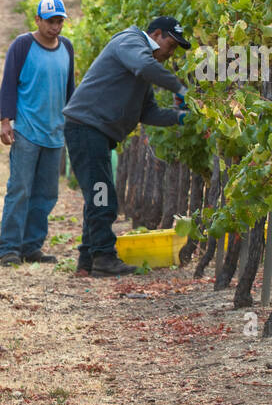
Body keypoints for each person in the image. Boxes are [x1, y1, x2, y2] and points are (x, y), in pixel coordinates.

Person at [63, 16, 190, 277]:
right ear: (156, 34)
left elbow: (149, 113)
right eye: (172, 45)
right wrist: (180, 88)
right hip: (86, 129)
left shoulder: (140, 68)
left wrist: (181, 117)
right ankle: (103, 258)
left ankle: (88, 261)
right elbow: (145, 66)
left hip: (93, 132)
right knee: (102, 196)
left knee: (98, 196)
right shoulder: (129, 42)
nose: (172, 53)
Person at [0, 0, 75, 266]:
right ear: (38, 20)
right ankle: (9, 249)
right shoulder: (22, 45)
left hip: (55, 133)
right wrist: (6, 120)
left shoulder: (67, 47)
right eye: (50, 21)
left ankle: (32, 247)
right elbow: (8, 83)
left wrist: (73, 123)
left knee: (46, 193)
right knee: (20, 189)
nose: (55, 27)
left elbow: (70, 89)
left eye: (59, 22)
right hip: (28, 131)